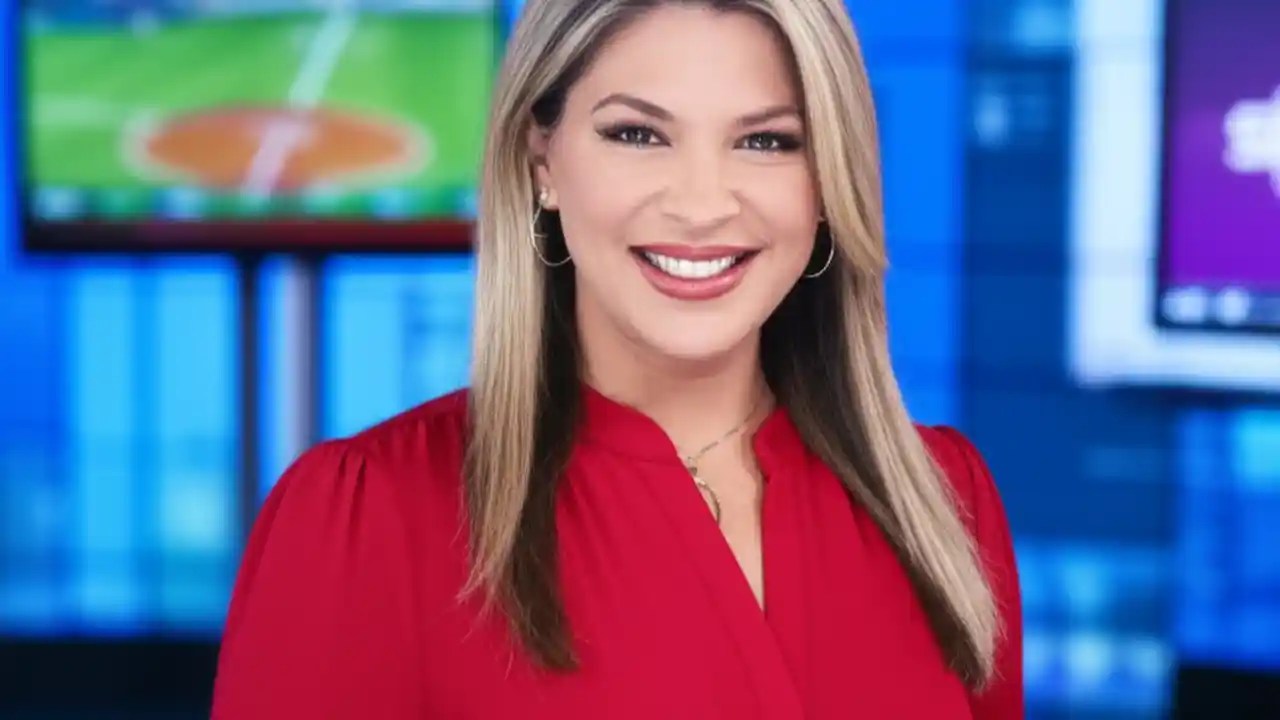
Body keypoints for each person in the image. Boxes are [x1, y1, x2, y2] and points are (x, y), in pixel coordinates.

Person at [211, 1, 1023, 717]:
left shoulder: (943, 504)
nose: (703, 204)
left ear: (826, 186)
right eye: (638, 134)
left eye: (767, 141)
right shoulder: (368, 521)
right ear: (542, 164)